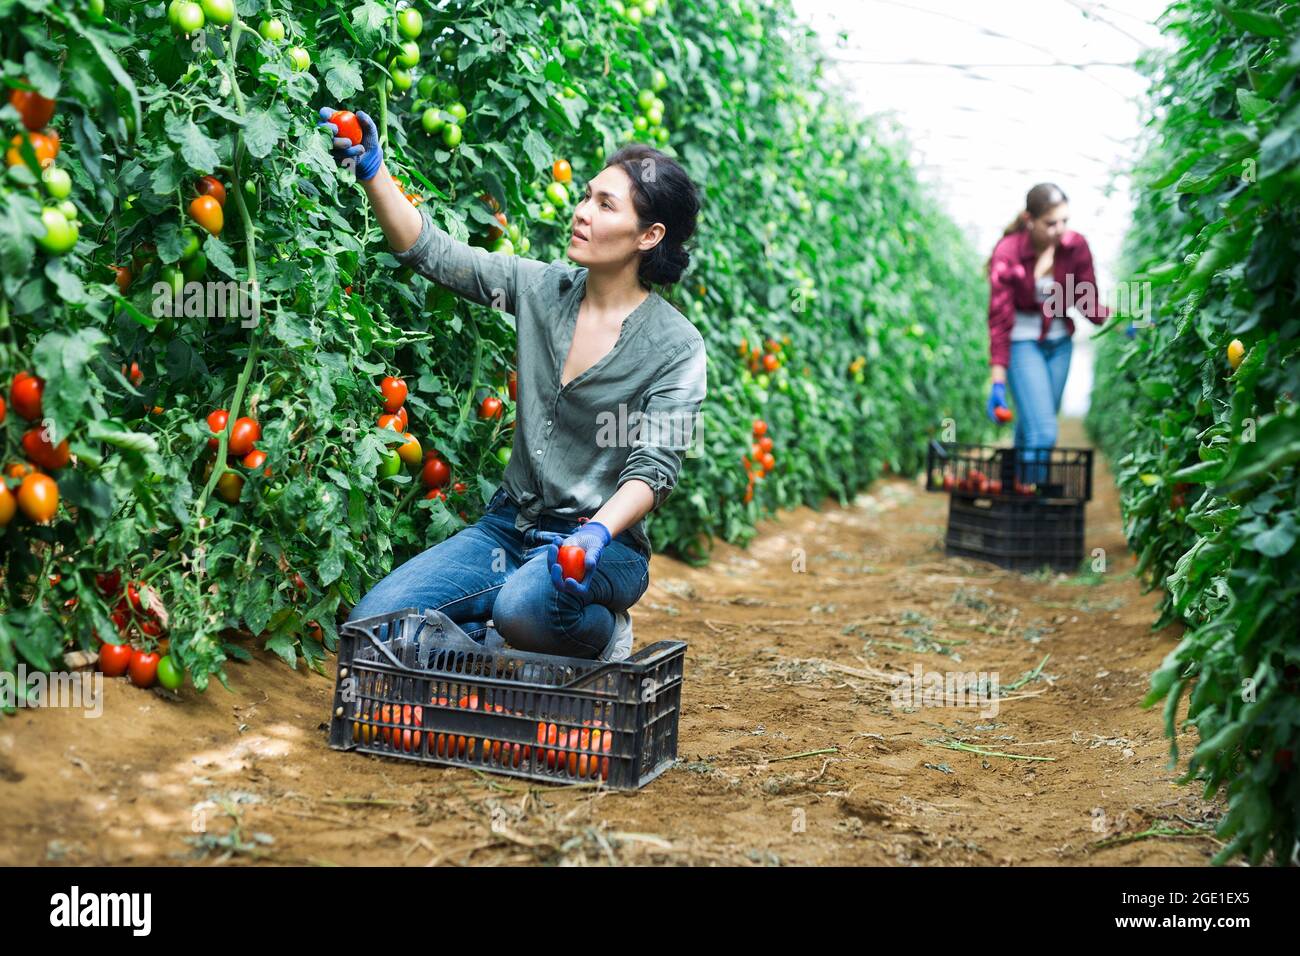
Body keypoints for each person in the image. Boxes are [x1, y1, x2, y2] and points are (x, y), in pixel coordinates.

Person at [321, 108, 706, 661]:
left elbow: (655, 468)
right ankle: (505, 631)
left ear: (650, 235)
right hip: (510, 527)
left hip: (603, 546)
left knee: (525, 607)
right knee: (369, 630)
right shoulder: (543, 290)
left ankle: (595, 629)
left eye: (605, 205)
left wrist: (593, 536)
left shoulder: (675, 346)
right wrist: (373, 170)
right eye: (587, 196)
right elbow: (434, 254)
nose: (581, 213)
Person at [985, 182, 1108, 486]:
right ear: (1029, 220)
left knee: (1031, 428)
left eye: (1065, 221)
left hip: (1060, 345)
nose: (1059, 229)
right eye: (1050, 223)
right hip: (1022, 344)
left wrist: (1123, 318)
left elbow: (1087, 301)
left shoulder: (1075, 246)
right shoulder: (1008, 252)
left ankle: (1016, 493)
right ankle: (1033, 507)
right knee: (1044, 431)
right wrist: (998, 382)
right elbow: (999, 320)